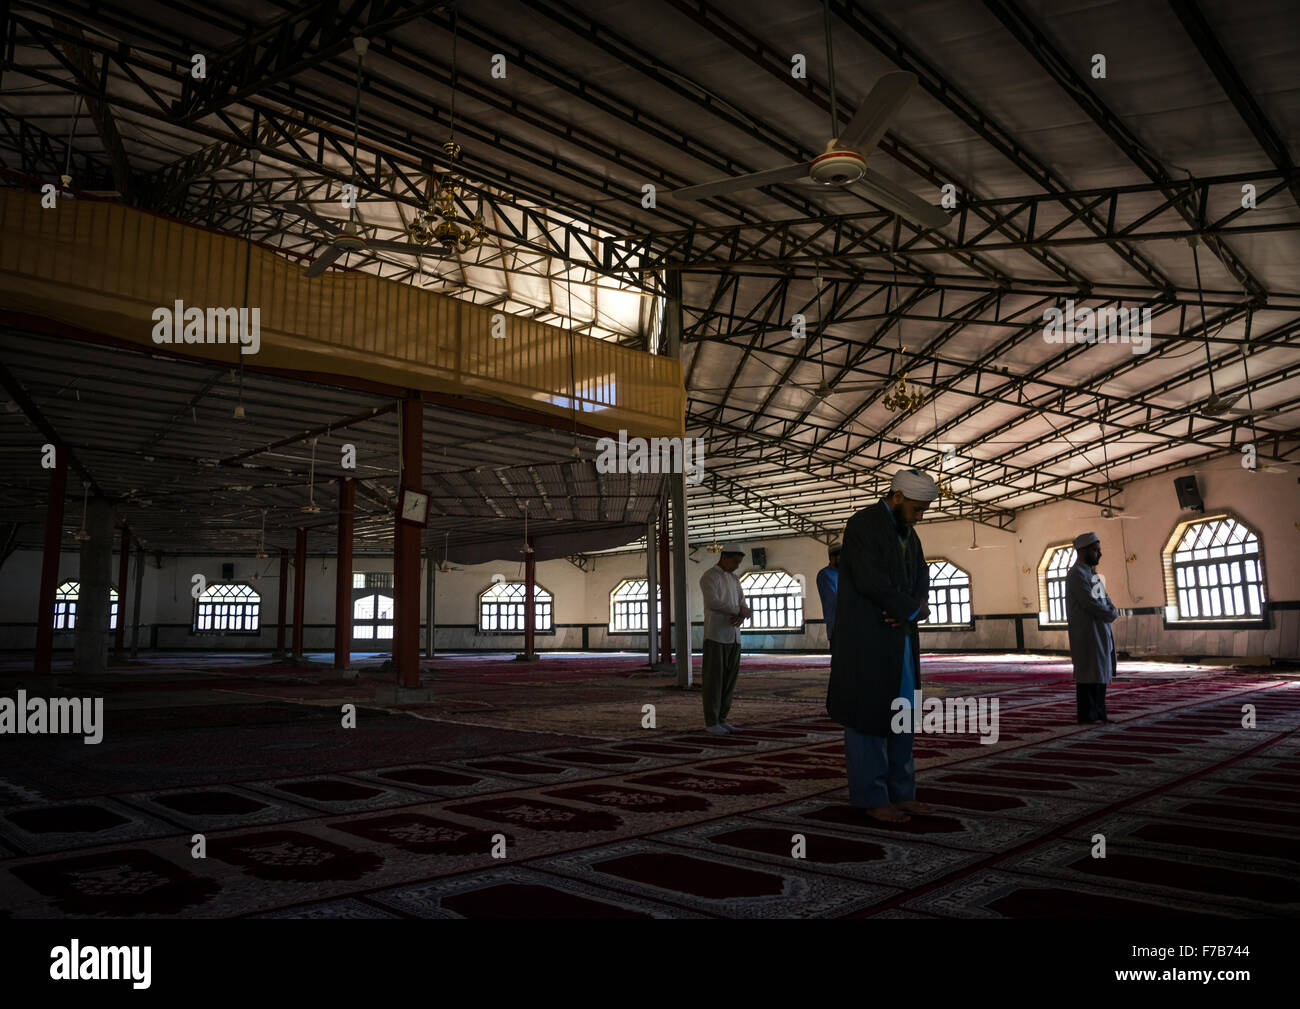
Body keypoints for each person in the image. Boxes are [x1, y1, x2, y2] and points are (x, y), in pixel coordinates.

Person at [827, 468, 937, 823]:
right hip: (868, 640)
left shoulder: (909, 533)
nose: (920, 517)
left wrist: (916, 609)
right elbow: (869, 579)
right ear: (898, 497)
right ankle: (872, 798)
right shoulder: (863, 525)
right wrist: (906, 609)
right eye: (917, 509)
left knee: (902, 714)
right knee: (869, 717)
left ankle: (902, 793)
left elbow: (922, 573)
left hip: (901, 639)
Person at [1066, 531, 1118, 723]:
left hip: (1100, 629)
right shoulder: (1076, 575)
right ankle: (1088, 716)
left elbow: (1105, 600)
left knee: (1100, 672)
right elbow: (1090, 603)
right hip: (1086, 633)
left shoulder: (1093, 574)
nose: (1099, 554)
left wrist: (1111, 611)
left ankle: (1099, 713)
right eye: (1095, 550)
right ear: (1083, 551)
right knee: (1089, 673)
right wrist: (1110, 614)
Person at [699, 544, 751, 734]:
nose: (737, 566)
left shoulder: (735, 579)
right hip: (716, 636)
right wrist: (739, 611)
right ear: (724, 557)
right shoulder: (709, 576)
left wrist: (745, 612)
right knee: (714, 681)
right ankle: (711, 722)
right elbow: (713, 602)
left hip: (734, 637)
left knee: (729, 681)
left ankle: (722, 719)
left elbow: (742, 603)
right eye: (735, 561)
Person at [816, 542, 842, 645]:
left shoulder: (843, 573)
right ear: (833, 557)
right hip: (837, 627)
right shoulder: (825, 574)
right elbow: (835, 599)